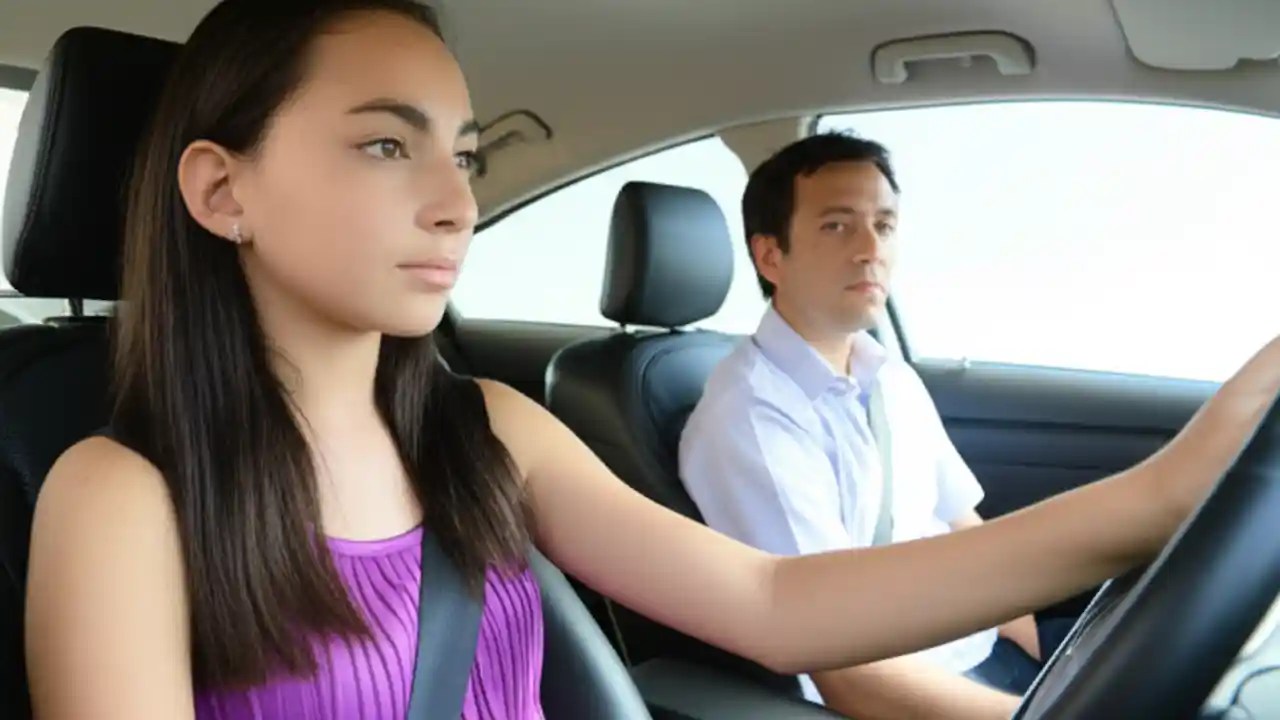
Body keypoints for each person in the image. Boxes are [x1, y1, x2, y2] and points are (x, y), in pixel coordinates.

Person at [21, 1, 1280, 718]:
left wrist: (1165, 494)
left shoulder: (487, 430)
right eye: (384, 146)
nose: (456, 204)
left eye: (463, 155)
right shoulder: (121, 498)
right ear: (222, 190)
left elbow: (775, 604)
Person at [678, 133, 1092, 719]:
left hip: (984, 653)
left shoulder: (887, 374)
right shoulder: (749, 420)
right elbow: (845, 668)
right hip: (909, 693)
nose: (871, 248)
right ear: (771, 257)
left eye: (885, 225)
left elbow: (962, 524)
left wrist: (1035, 653)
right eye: (837, 226)